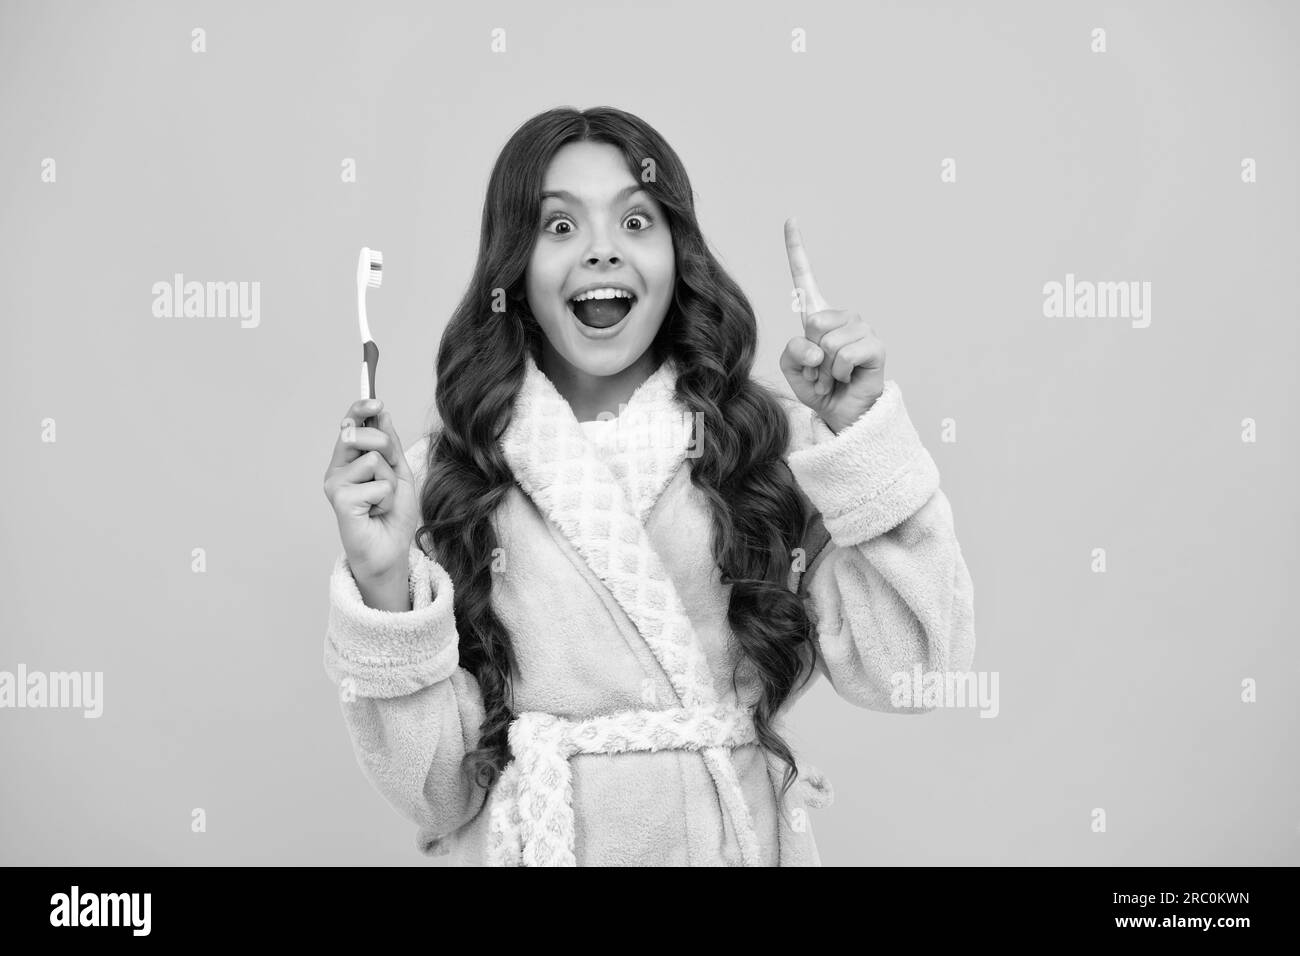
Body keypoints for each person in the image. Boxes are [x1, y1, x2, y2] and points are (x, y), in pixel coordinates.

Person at [322, 105, 975, 866]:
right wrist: (382, 584)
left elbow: (917, 671)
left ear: (677, 255)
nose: (602, 251)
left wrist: (861, 438)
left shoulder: (770, 447)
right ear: (514, 268)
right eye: (559, 228)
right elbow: (437, 792)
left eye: (636, 222)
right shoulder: (447, 477)